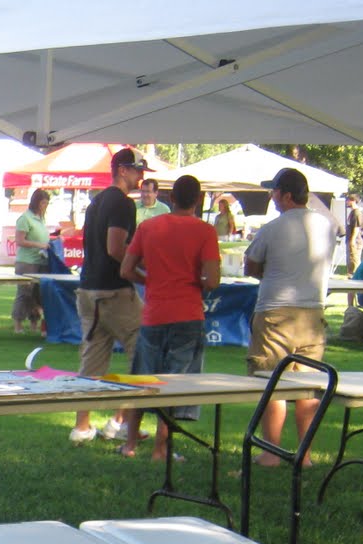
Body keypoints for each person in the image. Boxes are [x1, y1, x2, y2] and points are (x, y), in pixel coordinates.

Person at [117, 174, 221, 460]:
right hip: (187, 314)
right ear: (198, 200)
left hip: (154, 313)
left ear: (170, 198)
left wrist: (149, 281)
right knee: (174, 384)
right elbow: (212, 280)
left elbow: (126, 270)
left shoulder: (148, 227)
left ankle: (130, 444)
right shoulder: (205, 231)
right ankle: (161, 449)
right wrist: (192, 282)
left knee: (142, 380)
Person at [244, 166, 337, 466]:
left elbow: (252, 265)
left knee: (272, 383)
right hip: (313, 313)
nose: (271, 197)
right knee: (308, 387)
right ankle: (304, 456)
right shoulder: (326, 225)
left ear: (285, 195)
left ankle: (271, 452)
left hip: (275, 312)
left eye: (274, 191)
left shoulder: (272, 228)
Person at [69, 147, 148, 444]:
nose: (141, 177)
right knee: (141, 354)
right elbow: (116, 248)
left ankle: (82, 427)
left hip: (88, 289)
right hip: (114, 291)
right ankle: (120, 422)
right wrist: (142, 274)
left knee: (91, 361)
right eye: (138, 170)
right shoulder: (123, 204)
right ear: (123, 170)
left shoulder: (96, 201)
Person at [12, 189, 51, 334]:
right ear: (36, 202)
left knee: (38, 294)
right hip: (27, 262)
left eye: (47, 203)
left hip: (40, 261)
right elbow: (20, 240)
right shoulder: (25, 219)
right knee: (24, 293)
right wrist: (39, 245)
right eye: (43, 203)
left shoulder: (41, 219)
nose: (45, 206)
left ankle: (35, 323)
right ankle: (18, 324)